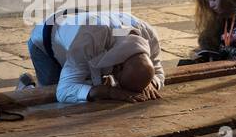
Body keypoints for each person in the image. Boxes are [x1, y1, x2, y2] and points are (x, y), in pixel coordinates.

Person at [23, 10, 164, 104]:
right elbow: (63, 91)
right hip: (45, 37)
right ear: (119, 66)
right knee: (49, 98)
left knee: (88, 88)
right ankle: (25, 87)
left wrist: (151, 83)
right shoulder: (89, 39)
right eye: (121, 82)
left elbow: (158, 72)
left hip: (81, 24)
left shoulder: (149, 36)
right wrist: (110, 92)